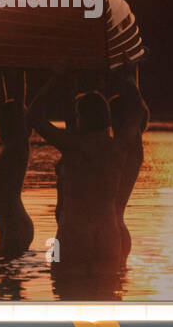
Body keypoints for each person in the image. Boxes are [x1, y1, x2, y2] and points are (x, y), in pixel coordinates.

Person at [28, 76, 123, 275]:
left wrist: (54, 78)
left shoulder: (73, 146)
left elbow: (34, 115)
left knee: (67, 297)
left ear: (84, 118)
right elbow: (132, 112)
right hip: (108, 233)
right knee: (107, 300)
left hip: (74, 231)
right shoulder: (117, 148)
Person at [110, 69, 149, 265]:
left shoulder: (124, 148)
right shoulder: (132, 147)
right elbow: (136, 110)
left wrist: (130, 78)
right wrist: (131, 74)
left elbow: (135, 111)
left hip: (113, 232)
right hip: (118, 229)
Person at [0, 96, 34, 260]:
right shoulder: (9, 149)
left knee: (6, 278)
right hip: (7, 224)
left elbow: (18, 107)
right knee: (4, 278)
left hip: (15, 224)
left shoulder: (18, 147)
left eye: (2, 124)